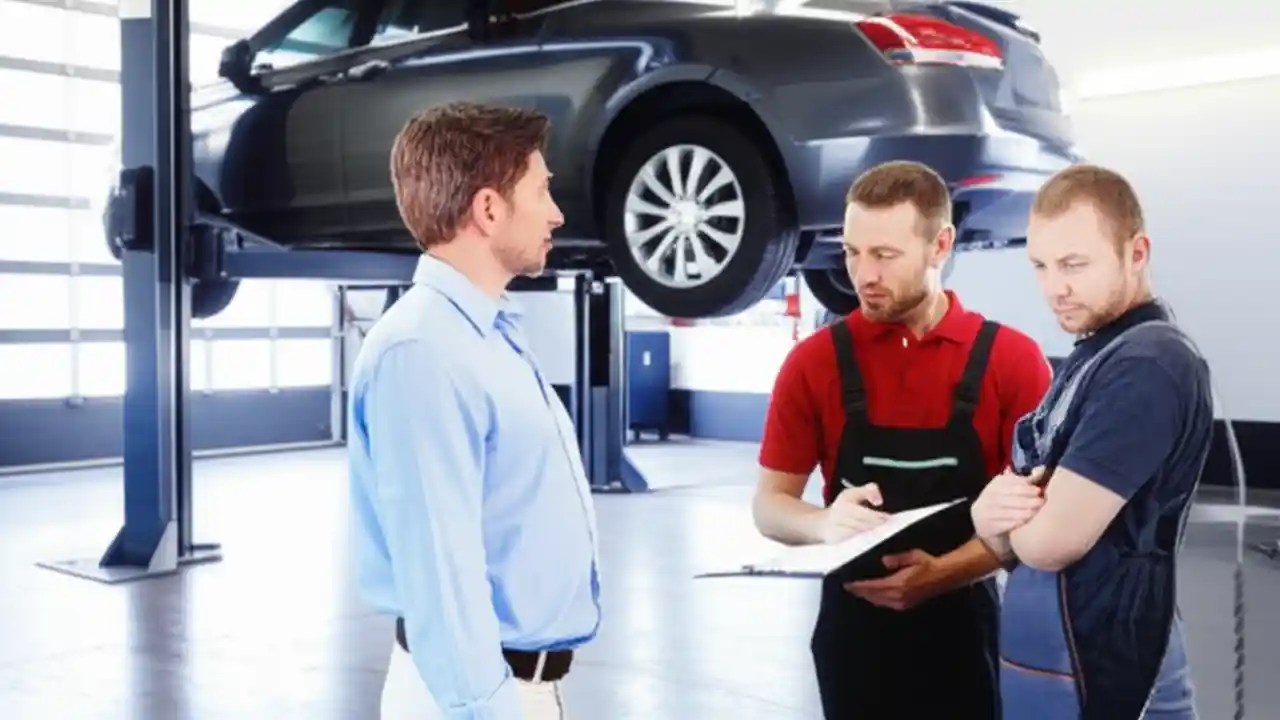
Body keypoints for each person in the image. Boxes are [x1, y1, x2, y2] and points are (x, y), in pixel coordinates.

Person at [753, 160, 1053, 719]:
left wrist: (945, 574)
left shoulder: (1012, 362)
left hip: (965, 633)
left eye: (884, 255)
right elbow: (770, 507)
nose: (863, 274)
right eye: (851, 252)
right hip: (853, 641)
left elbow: (1037, 520)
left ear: (940, 245)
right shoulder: (813, 363)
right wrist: (822, 523)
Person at [346, 102, 600, 720]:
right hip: (476, 696)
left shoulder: (486, 334)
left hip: (522, 687)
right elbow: (441, 570)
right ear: (488, 210)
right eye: (542, 191)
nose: (557, 214)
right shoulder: (423, 351)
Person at [972, 164, 1211, 720]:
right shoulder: (1093, 357)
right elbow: (1008, 538)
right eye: (1041, 266)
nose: (1055, 286)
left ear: (1136, 253)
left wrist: (998, 515)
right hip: (1053, 666)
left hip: (1109, 672)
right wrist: (993, 518)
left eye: (1074, 264)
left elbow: (1047, 544)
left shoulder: (1149, 365)